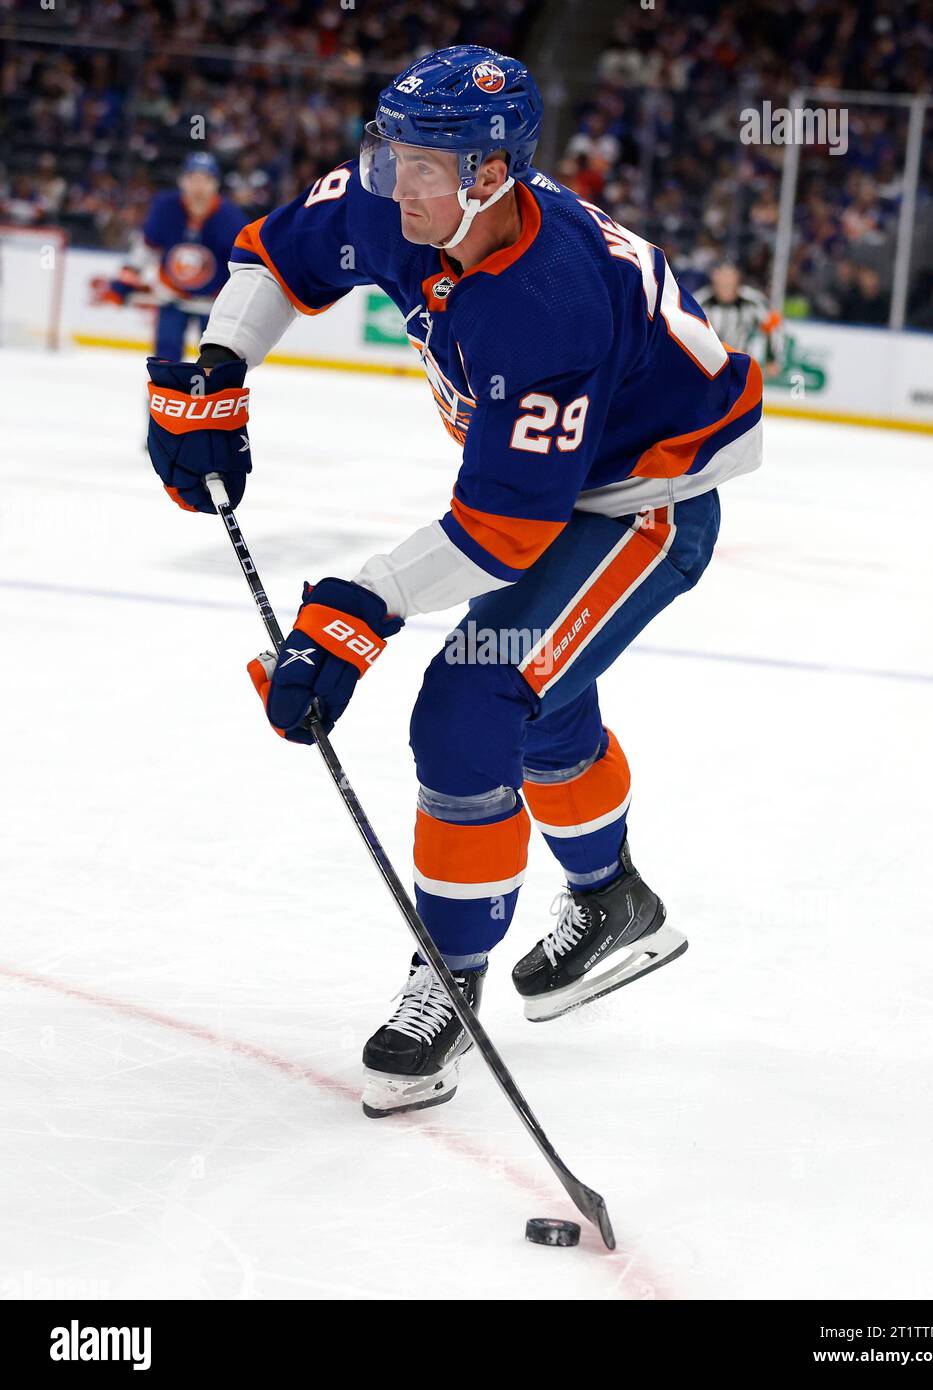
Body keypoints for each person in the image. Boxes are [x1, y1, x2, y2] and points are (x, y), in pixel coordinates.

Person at [144, 46, 763, 1117]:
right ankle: (614, 900)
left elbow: (505, 527)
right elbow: (275, 254)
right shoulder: (401, 201)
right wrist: (218, 371)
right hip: (557, 485)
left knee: (474, 696)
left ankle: (452, 976)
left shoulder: (549, 300)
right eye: (389, 150)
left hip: (642, 503)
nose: (392, 179)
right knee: (539, 705)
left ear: (490, 175)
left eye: (423, 164)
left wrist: (357, 607)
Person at [96, 153, 245, 359]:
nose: (198, 187)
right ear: (182, 181)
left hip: (214, 303)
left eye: (205, 180)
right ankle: (163, 391)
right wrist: (122, 284)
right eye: (193, 179)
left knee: (218, 363)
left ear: (215, 185)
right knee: (165, 362)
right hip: (172, 296)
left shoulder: (231, 218)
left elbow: (242, 265)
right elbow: (146, 249)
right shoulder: (166, 207)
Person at [697, 260, 785, 375]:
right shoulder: (700, 302)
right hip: (706, 368)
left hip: (740, 368)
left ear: (737, 278)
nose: (725, 281)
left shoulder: (752, 301)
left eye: (729, 276)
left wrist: (772, 359)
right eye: (721, 276)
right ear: (714, 278)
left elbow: (773, 325)